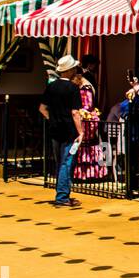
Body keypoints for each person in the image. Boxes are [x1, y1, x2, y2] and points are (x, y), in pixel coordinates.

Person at [39, 55, 86, 207]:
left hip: (55, 130)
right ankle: (62, 196)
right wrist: (81, 132)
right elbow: (75, 112)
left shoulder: (51, 86)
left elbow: (42, 108)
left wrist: (52, 119)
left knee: (60, 162)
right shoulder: (72, 88)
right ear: (69, 70)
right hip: (69, 131)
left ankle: (63, 193)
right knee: (66, 162)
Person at [72, 67, 107, 181]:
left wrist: (81, 112)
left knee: (87, 144)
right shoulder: (81, 87)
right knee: (83, 145)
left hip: (86, 119)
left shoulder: (86, 88)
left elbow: (88, 105)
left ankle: (90, 173)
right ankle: (81, 173)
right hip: (82, 117)